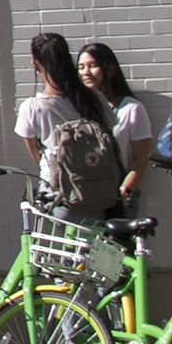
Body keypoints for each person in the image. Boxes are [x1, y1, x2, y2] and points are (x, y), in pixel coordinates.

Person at [13, 31, 122, 221]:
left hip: (60, 195)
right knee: (96, 248)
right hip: (100, 192)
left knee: (63, 249)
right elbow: (109, 137)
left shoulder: (32, 107)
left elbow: (37, 156)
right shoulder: (93, 97)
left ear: (34, 63)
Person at [78, 42, 152, 209]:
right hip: (86, 195)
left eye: (93, 66)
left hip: (119, 193)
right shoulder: (76, 110)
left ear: (110, 70)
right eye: (81, 67)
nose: (85, 72)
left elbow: (141, 159)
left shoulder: (131, 109)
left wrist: (124, 192)